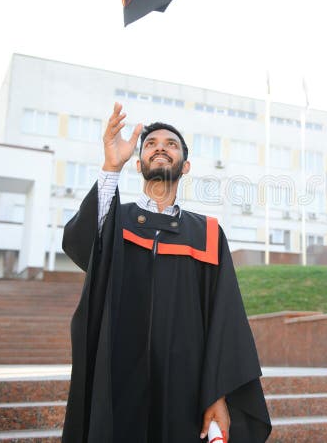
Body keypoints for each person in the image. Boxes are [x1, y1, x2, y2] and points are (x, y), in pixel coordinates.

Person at [61, 102, 271, 442]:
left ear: (185, 165)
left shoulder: (207, 233)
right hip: (117, 380)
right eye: (150, 143)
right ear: (139, 162)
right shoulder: (117, 221)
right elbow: (81, 243)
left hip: (184, 390)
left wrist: (216, 394)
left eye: (171, 144)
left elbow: (223, 320)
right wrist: (111, 167)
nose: (160, 146)